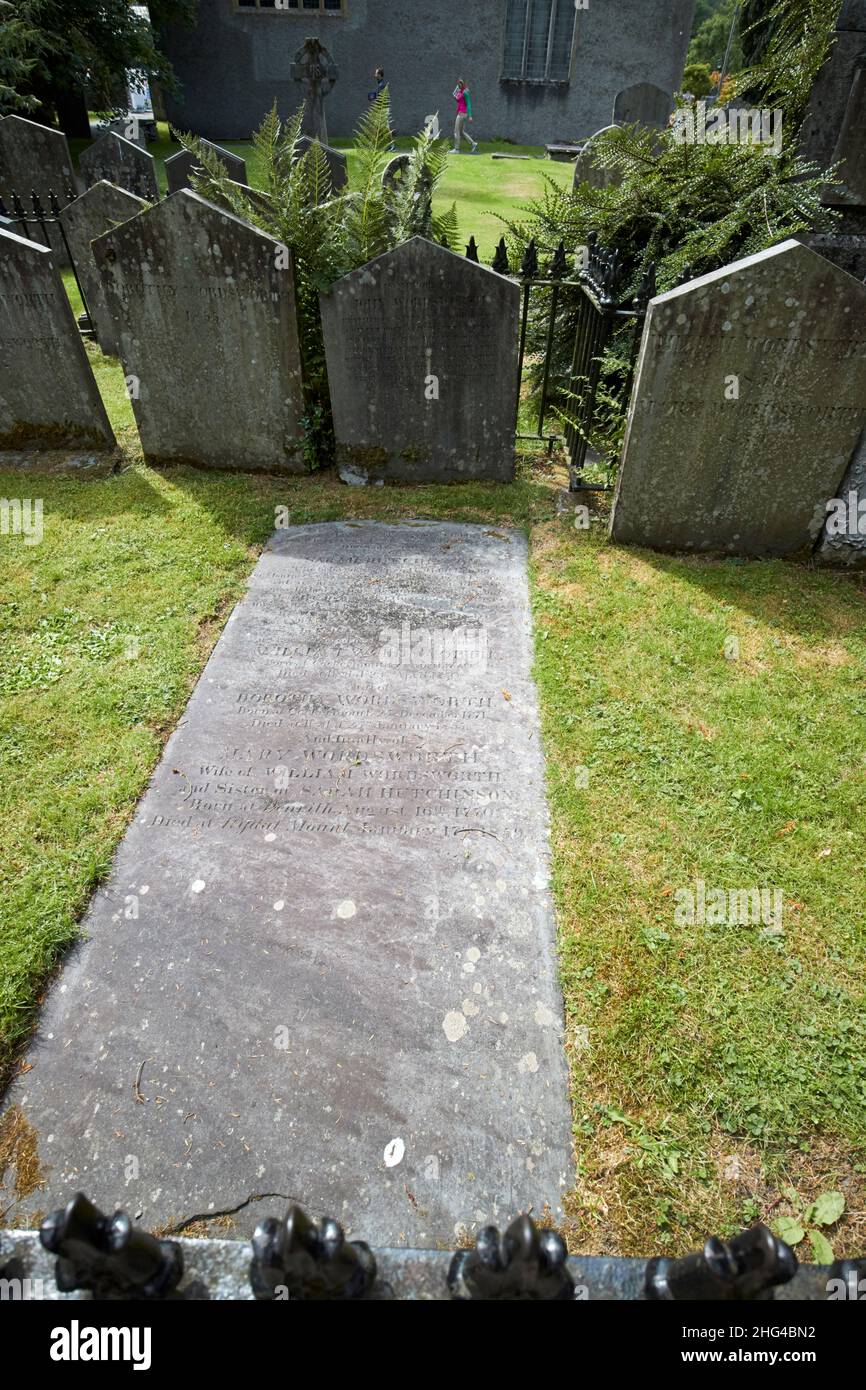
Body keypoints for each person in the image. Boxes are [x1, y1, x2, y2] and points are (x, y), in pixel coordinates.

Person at [452, 79, 478, 153]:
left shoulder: (465, 93)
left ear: (463, 84)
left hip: (462, 114)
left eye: (461, 83)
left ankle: (456, 149)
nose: (459, 85)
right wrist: (456, 95)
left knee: (456, 131)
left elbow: (469, 104)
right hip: (461, 113)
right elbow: (459, 100)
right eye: (458, 84)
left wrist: (470, 116)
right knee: (461, 131)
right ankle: (473, 144)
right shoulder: (460, 92)